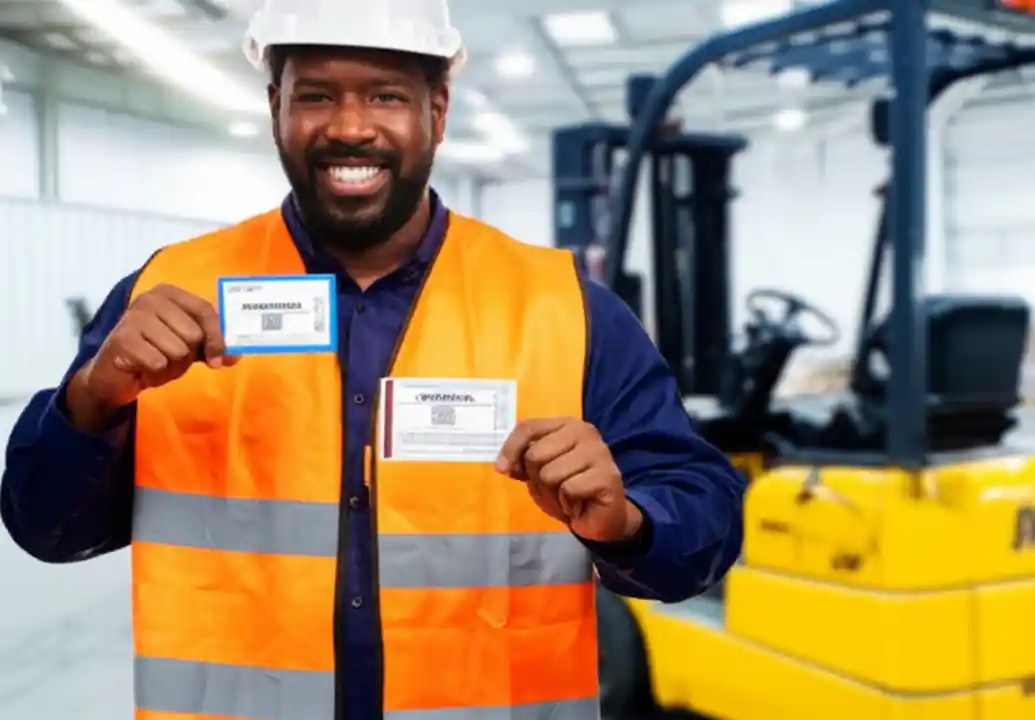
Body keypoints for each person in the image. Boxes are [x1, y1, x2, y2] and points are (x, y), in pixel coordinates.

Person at [0, 1, 746, 719]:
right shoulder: (170, 289)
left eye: (386, 96)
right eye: (316, 95)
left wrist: (629, 522)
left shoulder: (563, 307)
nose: (350, 127)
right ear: (275, 109)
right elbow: (46, 529)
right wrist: (92, 398)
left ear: (438, 112)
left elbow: (702, 527)